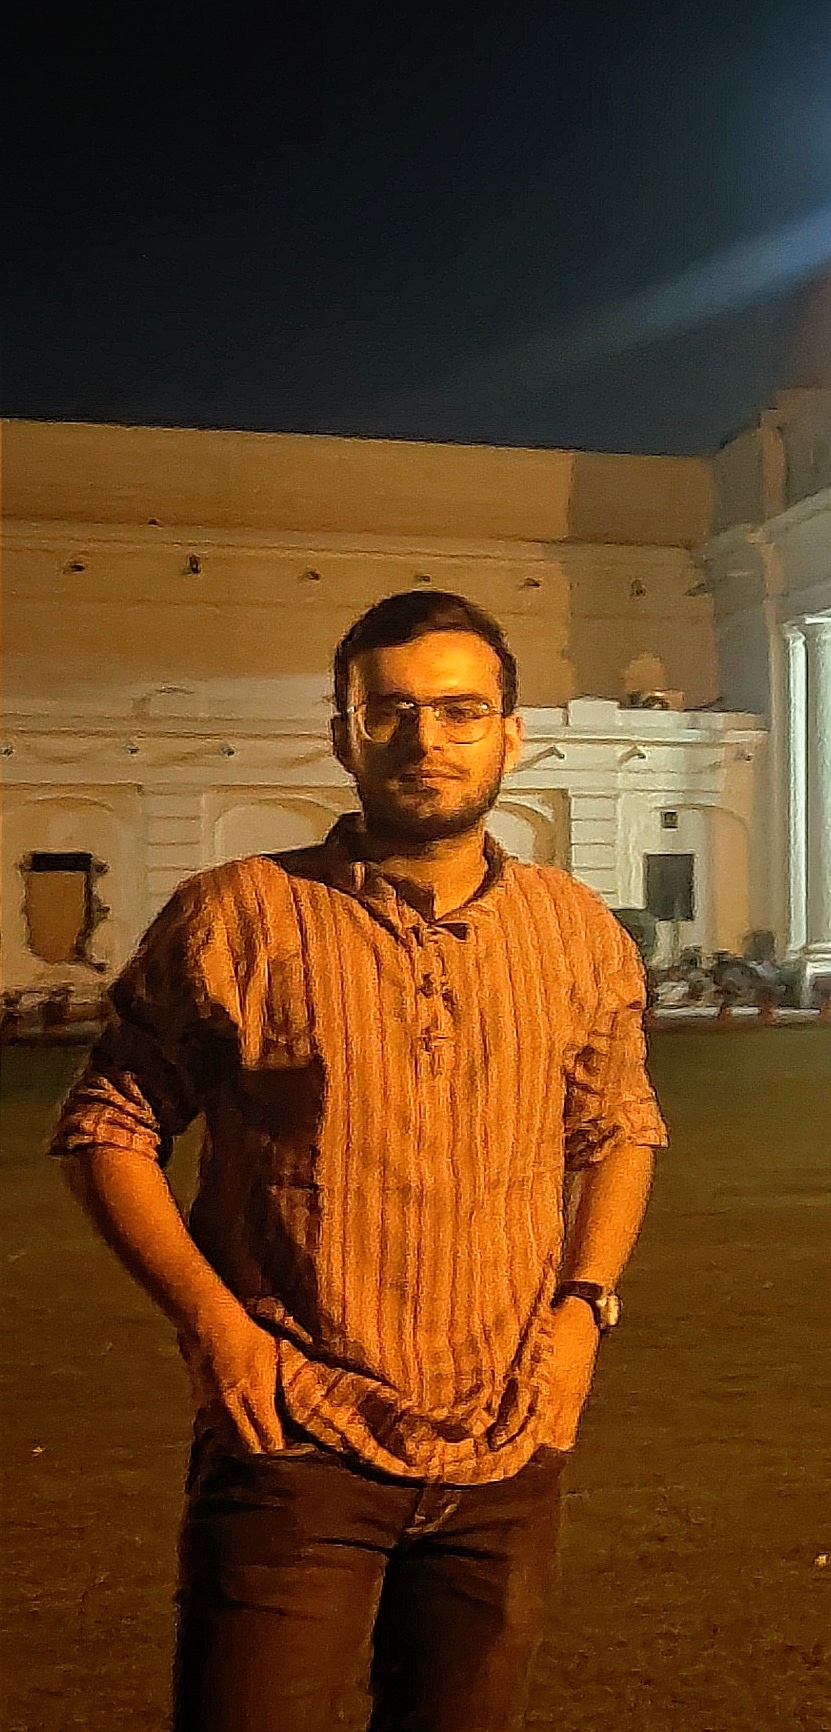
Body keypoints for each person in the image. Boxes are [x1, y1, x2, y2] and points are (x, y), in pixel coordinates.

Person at [49, 589, 666, 1731]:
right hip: (294, 1442)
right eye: (390, 712)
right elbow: (107, 1127)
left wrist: (581, 1312)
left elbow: (619, 1124)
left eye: (459, 710)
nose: (424, 740)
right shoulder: (240, 914)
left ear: (510, 734)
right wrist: (217, 1327)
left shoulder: (574, 929)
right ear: (343, 733)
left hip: (507, 1442)